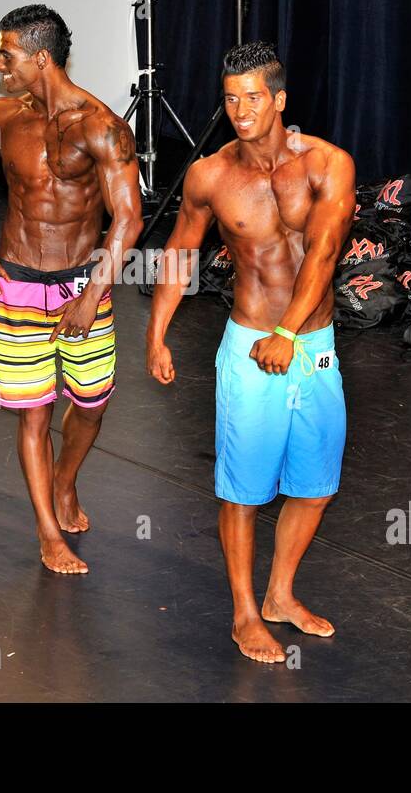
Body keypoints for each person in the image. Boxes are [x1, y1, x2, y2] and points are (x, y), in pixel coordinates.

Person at [146, 41, 353, 663]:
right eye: (230, 98)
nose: (239, 110)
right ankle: (243, 613)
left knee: (315, 487)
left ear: (280, 100)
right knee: (243, 492)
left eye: (253, 98)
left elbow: (323, 253)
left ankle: (280, 595)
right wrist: (157, 331)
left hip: (310, 346)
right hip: (249, 347)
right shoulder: (210, 174)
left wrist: (288, 334)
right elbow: (180, 251)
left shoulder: (326, 164)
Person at [0, 4, 142, 574]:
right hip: (18, 280)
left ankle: (66, 482)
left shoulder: (102, 126)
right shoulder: (1, 116)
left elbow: (129, 219)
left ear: (41, 58)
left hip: (84, 281)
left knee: (90, 403)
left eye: (6, 55)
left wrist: (90, 296)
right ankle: (46, 531)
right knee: (33, 412)